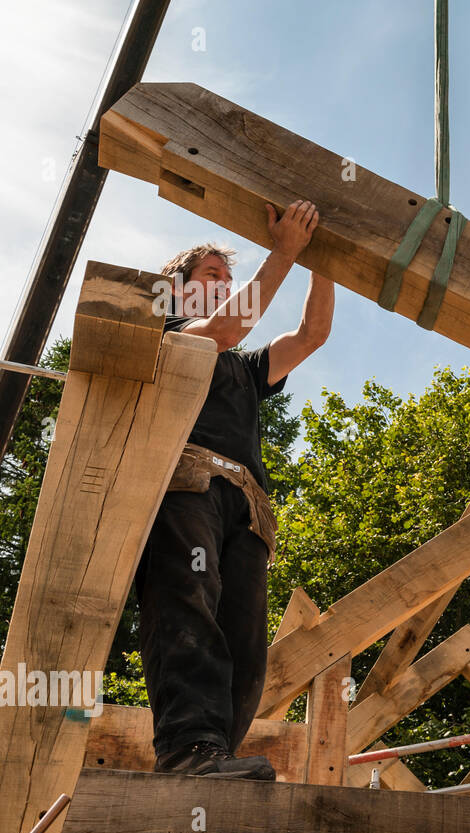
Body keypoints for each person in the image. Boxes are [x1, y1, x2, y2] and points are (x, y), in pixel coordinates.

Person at [138, 200, 334, 780]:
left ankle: (215, 754)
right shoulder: (169, 332)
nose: (225, 283)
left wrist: (327, 264)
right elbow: (226, 328)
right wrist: (286, 252)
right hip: (185, 483)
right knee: (187, 603)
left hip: (245, 506)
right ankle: (186, 750)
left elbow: (312, 334)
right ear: (178, 291)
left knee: (245, 642)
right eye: (212, 276)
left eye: (229, 276)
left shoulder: (246, 369)